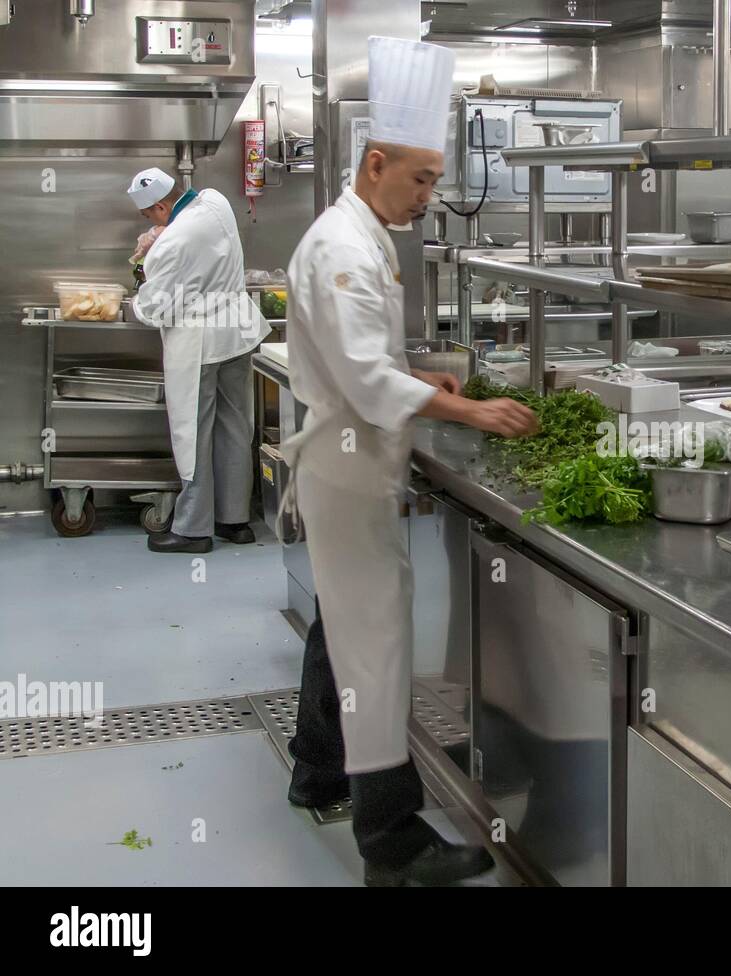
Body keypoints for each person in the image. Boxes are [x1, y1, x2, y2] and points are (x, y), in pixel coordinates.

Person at [281, 36, 537, 887]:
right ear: (377, 161)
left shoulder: (359, 230)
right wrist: (466, 406)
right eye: (421, 179)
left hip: (354, 460)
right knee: (375, 643)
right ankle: (391, 845)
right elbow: (361, 373)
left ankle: (316, 769)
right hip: (347, 467)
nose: (431, 196)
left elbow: (366, 359)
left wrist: (413, 378)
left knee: (345, 624)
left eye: (436, 181)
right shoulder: (347, 246)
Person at [129, 168, 270, 552]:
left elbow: (156, 307)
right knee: (236, 427)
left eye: (149, 216)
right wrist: (161, 236)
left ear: (159, 206)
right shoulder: (216, 200)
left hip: (200, 344)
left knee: (192, 431)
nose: (149, 222)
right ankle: (235, 520)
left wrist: (144, 265)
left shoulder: (171, 243)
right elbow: (199, 240)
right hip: (237, 333)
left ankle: (192, 530)